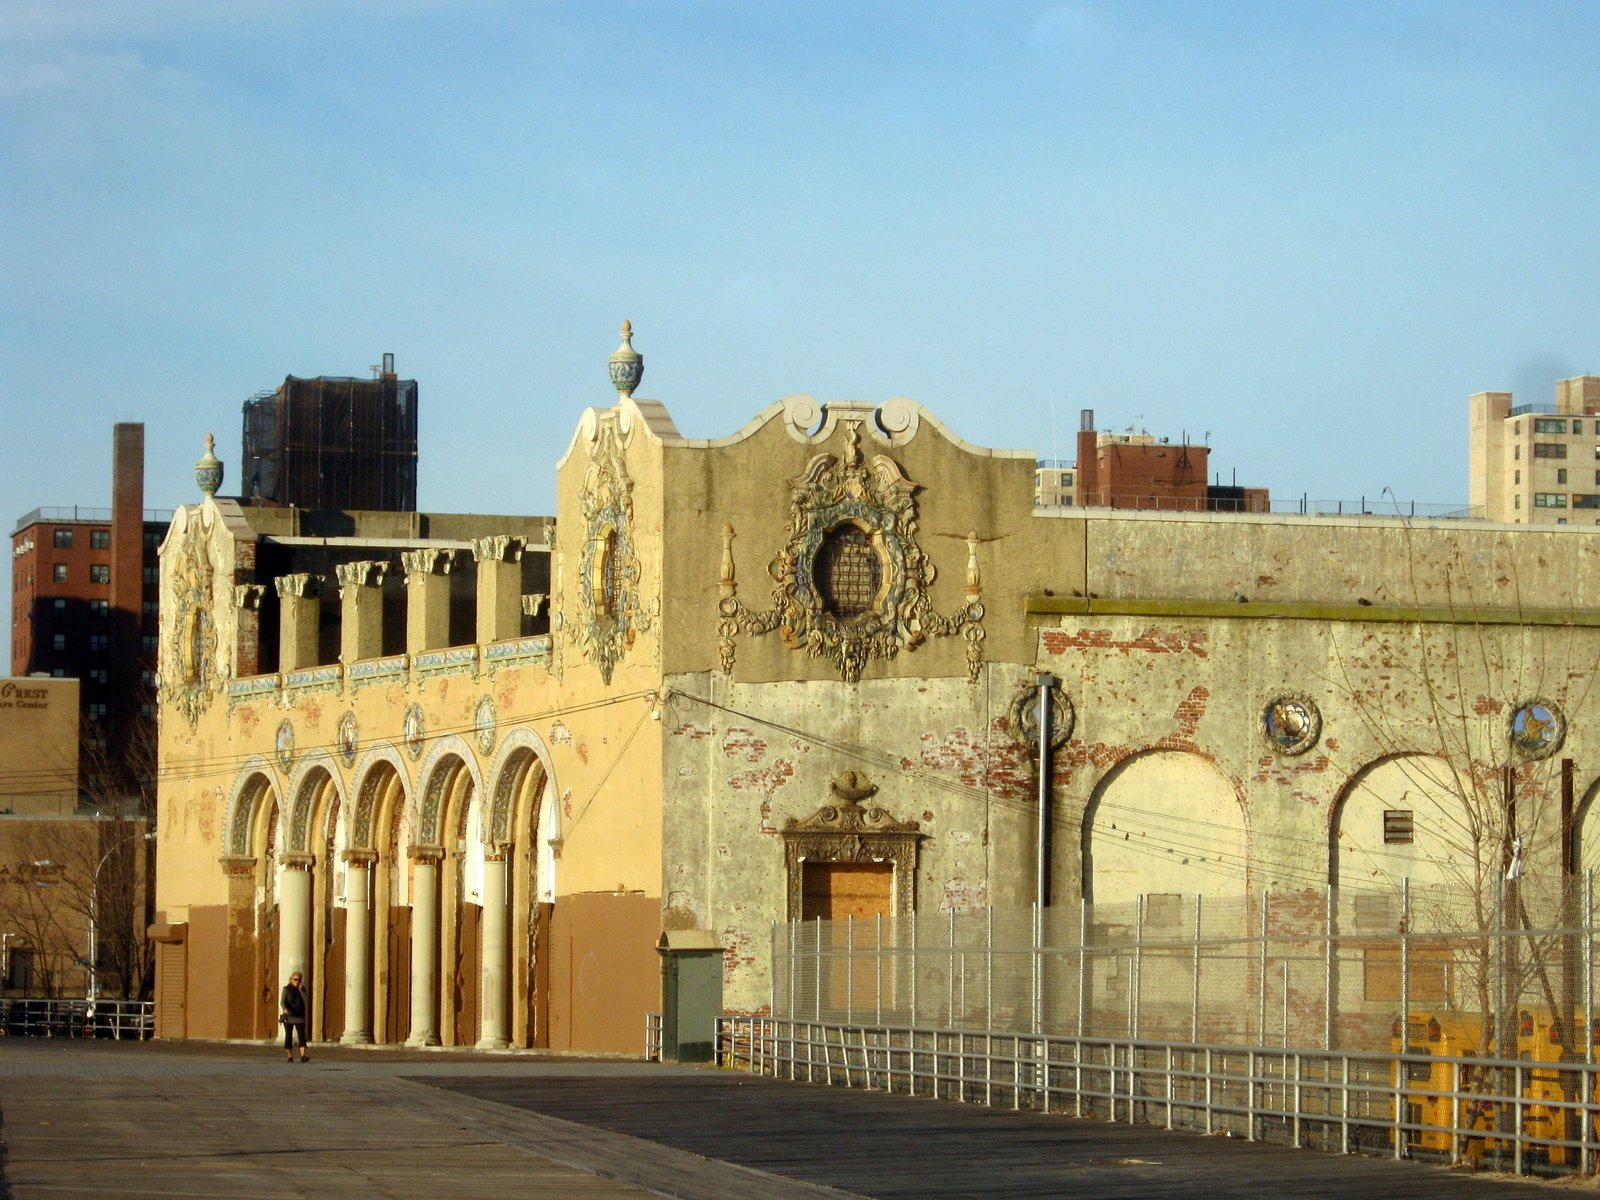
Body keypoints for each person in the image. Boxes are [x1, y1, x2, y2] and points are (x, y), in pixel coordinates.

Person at [280, 972, 309, 1063]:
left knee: (302, 1036)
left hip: (299, 1016)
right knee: (288, 1036)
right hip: (289, 1017)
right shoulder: (286, 989)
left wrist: (301, 990)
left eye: (299, 980)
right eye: (295, 979)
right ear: (291, 980)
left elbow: (306, 1000)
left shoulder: (302, 989)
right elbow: (282, 1001)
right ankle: (290, 1056)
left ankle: (303, 1056)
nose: (297, 981)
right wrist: (285, 1009)